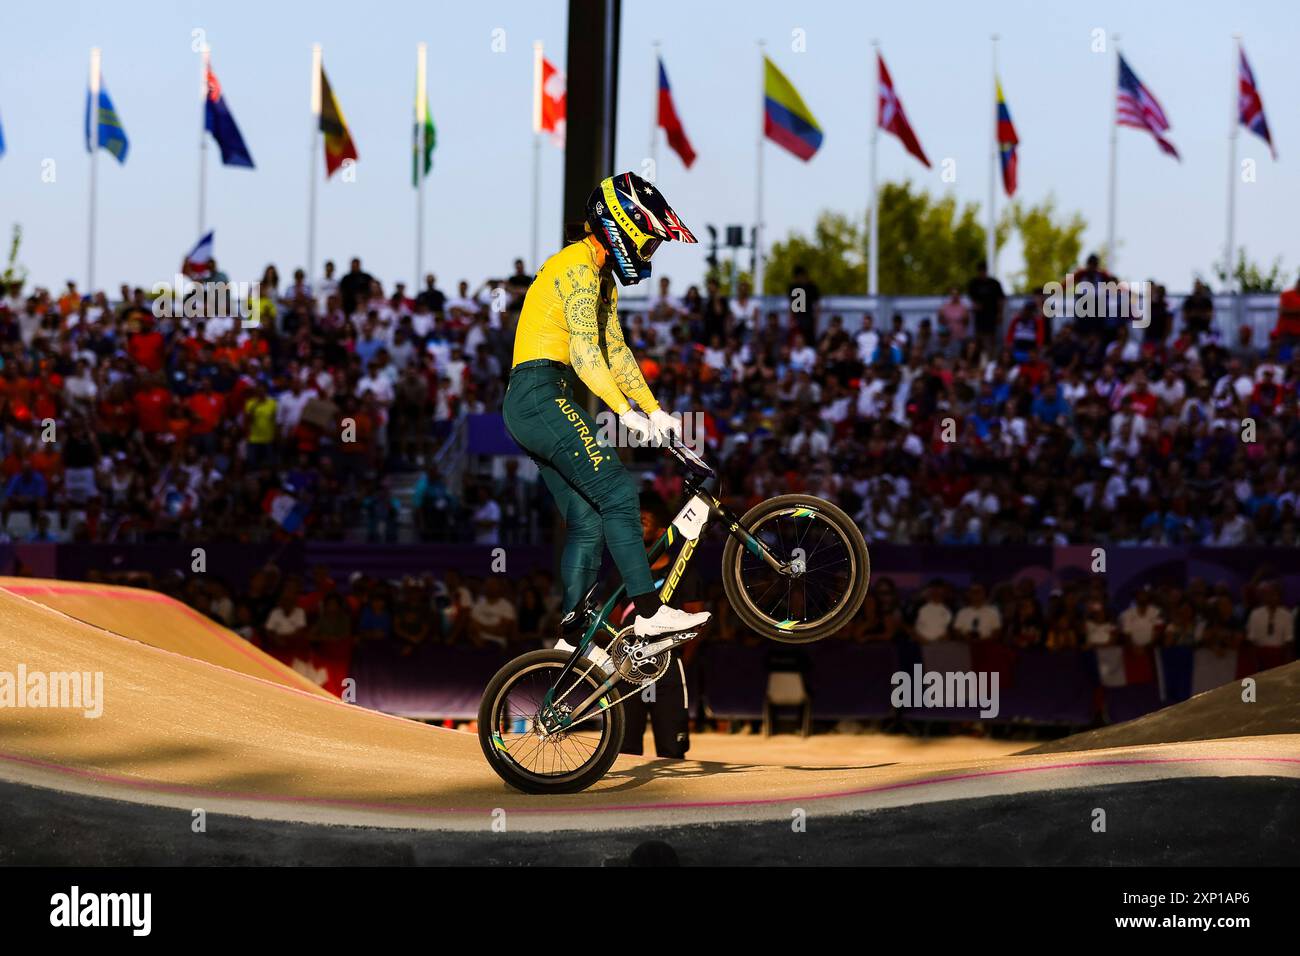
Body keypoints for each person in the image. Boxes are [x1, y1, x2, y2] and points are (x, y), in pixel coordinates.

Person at [503, 171, 710, 642]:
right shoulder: (577, 266)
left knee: (588, 517)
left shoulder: (600, 277)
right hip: (540, 393)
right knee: (618, 492)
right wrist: (623, 411)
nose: (650, 254)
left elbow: (616, 353)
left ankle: (573, 634)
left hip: (536, 398)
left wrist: (654, 410)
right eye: (650, 242)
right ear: (624, 226)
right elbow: (584, 354)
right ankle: (649, 609)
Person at [617, 492, 694, 758]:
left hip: (668, 668)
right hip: (628, 668)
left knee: (672, 750)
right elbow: (615, 621)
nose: (636, 526)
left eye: (644, 521)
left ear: (662, 531)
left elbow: (697, 621)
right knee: (624, 750)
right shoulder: (623, 571)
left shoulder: (681, 570)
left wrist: (682, 662)